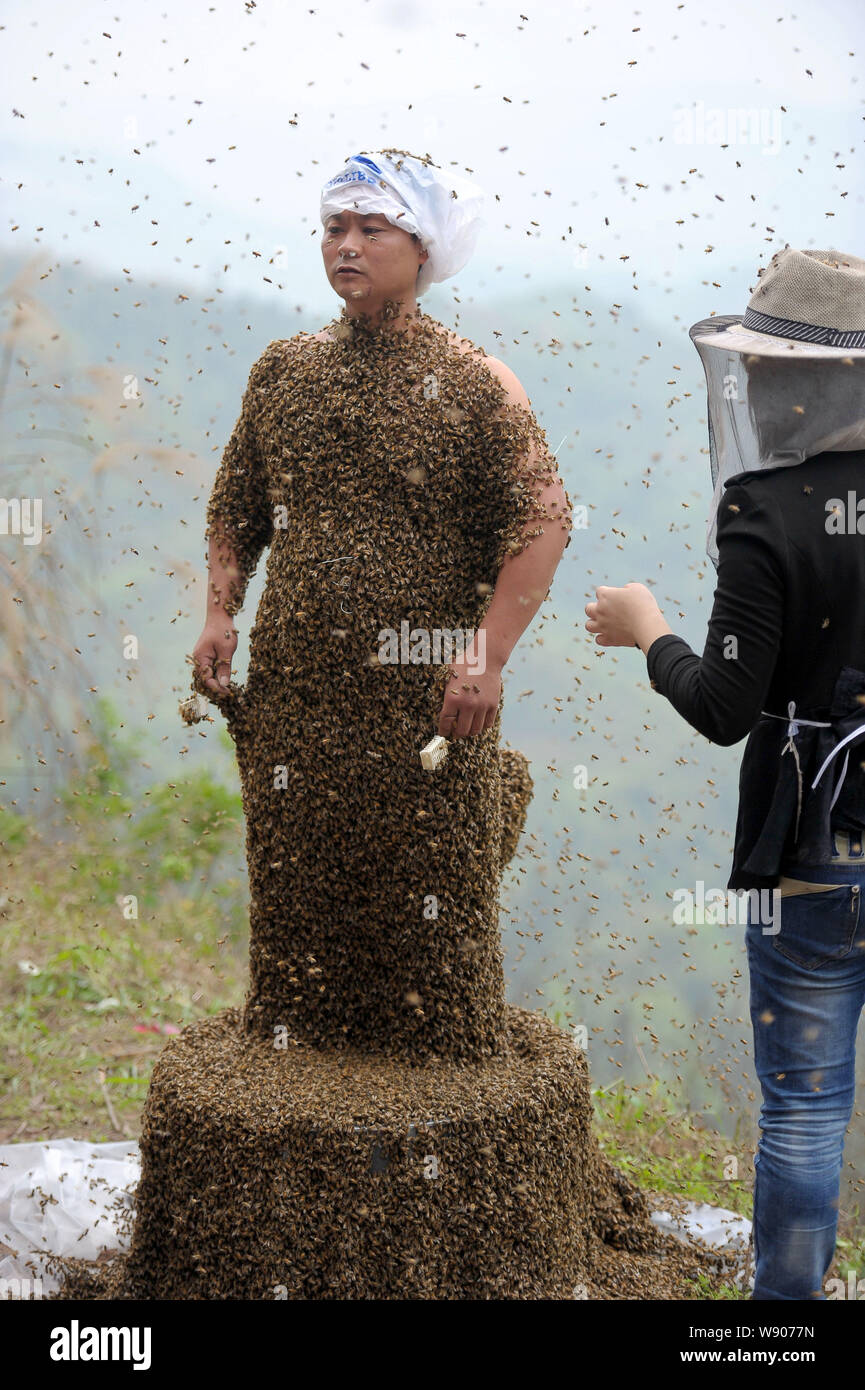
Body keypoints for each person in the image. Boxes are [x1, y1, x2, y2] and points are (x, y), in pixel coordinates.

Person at [187, 148, 573, 1062]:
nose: (346, 247)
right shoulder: (283, 371)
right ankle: (302, 1049)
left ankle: (442, 1062)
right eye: (333, 228)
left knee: (432, 894)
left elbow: (543, 521)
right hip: (296, 690)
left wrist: (485, 656)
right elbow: (233, 511)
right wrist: (218, 614)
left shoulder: (478, 383)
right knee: (295, 887)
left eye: (372, 228)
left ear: (424, 247)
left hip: (425, 695)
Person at [585, 246, 865, 1299]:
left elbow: (721, 708)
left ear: (785, 381)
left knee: (802, 1111)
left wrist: (645, 628)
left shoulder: (763, 512)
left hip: (810, 858)